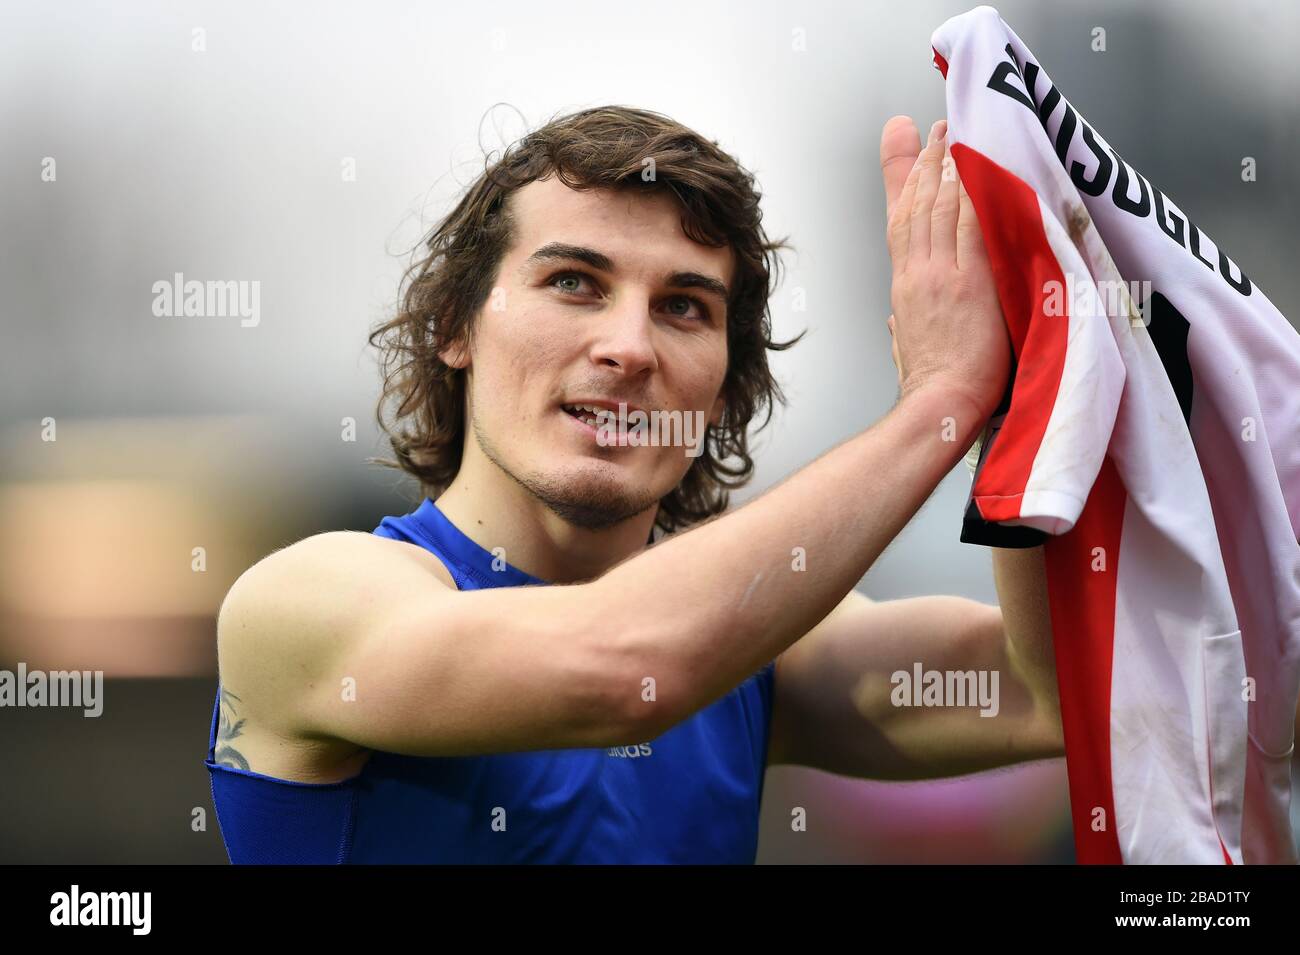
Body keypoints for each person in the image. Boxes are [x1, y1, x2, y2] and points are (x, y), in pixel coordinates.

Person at [204, 105, 1062, 863]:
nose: (630, 347)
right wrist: (938, 404)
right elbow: (628, 667)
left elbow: (1047, 694)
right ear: (455, 327)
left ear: (727, 385)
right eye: (573, 283)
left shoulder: (763, 647)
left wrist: (1025, 390)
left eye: (684, 305)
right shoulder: (303, 601)